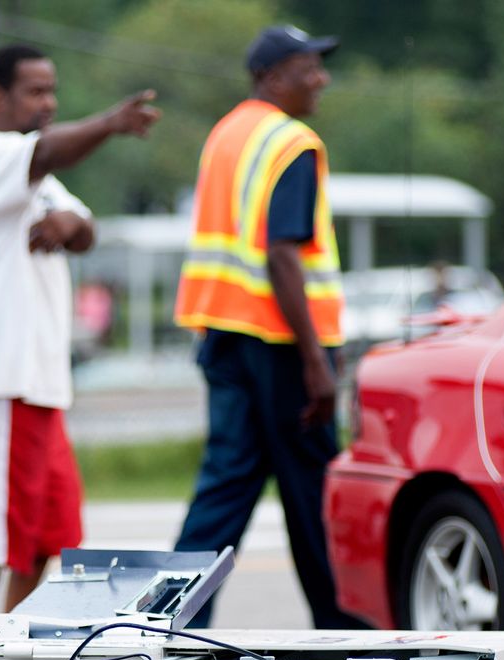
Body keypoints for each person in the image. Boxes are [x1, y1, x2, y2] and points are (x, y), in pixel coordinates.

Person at [0, 44, 159, 611]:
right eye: (35, 90)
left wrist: (68, 222)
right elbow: (49, 153)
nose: (49, 102)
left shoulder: (38, 177)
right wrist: (111, 123)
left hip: (37, 387)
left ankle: (4, 642)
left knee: (44, 542)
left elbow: (86, 229)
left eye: (51, 90)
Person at [173, 25, 362, 629]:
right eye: (309, 67)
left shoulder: (226, 133)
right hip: (282, 347)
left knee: (223, 492)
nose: (321, 79)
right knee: (315, 497)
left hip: (226, 334)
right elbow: (283, 253)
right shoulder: (291, 142)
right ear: (272, 77)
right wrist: (316, 363)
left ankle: (168, 627)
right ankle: (349, 639)